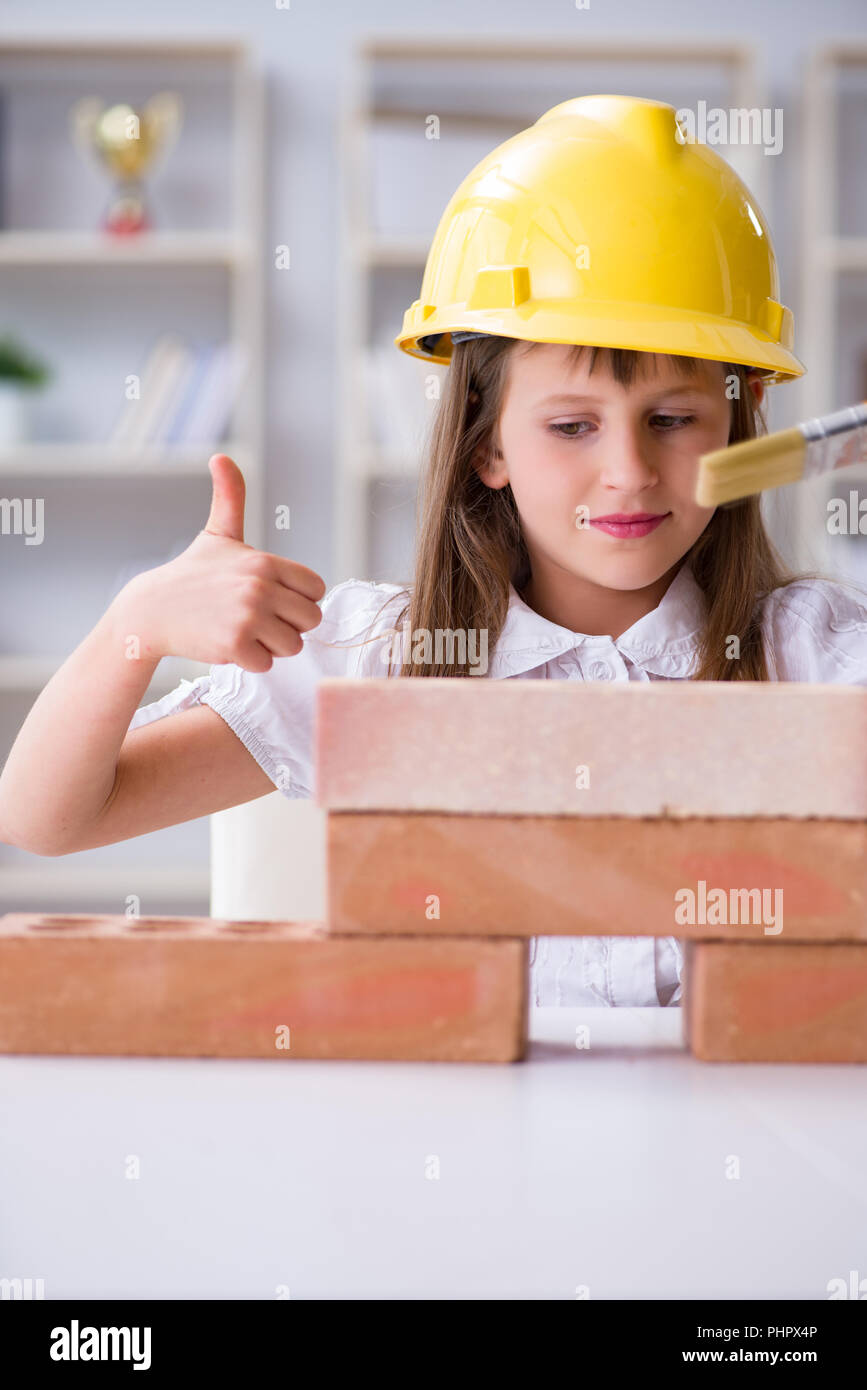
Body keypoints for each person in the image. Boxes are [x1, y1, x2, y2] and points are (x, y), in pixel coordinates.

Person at [2, 95, 866, 1009]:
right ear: (487, 447)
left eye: (672, 420)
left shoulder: (808, 655)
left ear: (741, 429)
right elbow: (47, 817)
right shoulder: (372, 656)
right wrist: (135, 627)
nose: (627, 472)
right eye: (571, 425)